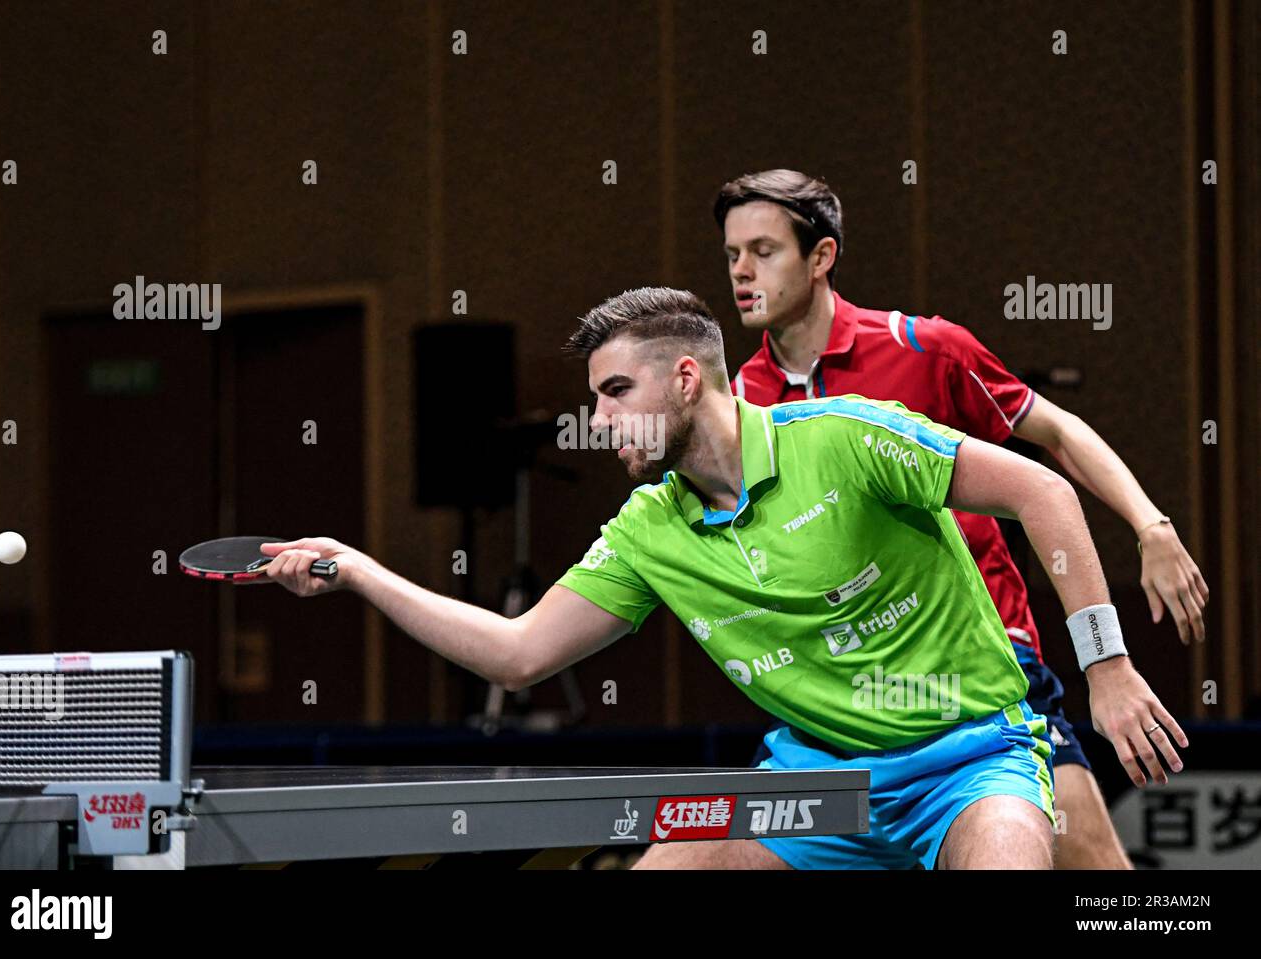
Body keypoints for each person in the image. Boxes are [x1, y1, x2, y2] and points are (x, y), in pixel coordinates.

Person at [261, 286, 1186, 870]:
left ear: (689, 379)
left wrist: (1107, 669)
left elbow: (1044, 492)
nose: (598, 419)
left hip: (970, 758)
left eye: (615, 393)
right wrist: (357, 569)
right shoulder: (646, 532)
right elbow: (516, 655)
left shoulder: (847, 436)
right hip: (818, 786)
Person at [714, 168, 1209, 868]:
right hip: (850, 696)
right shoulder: (741, 402)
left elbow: (1057, 433)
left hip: (985, 673)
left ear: (821, 257)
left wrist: (1150, 526)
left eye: (763, 251)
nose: (742, 271)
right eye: (732, 254)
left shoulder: (924, 349)